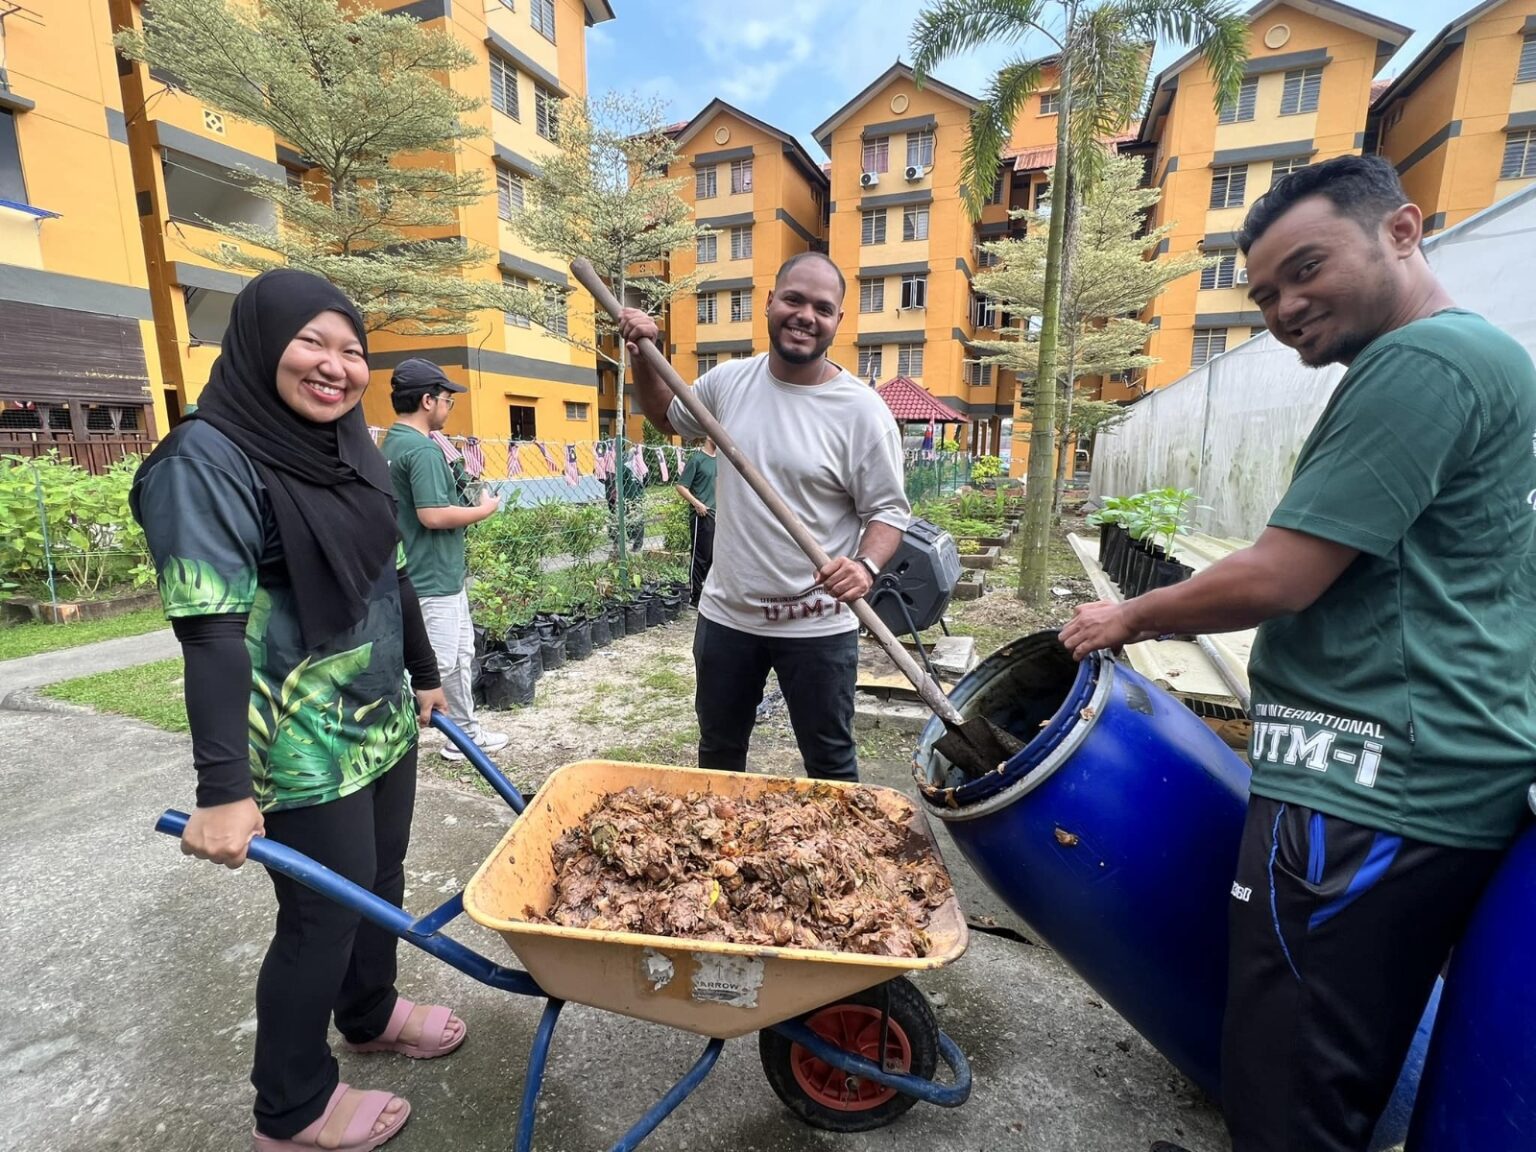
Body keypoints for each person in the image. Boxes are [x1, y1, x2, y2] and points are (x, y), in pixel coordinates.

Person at [1058, 155, 1536, 1152]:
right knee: (1333, 1063)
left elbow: (1282, 573)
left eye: (1306, 269)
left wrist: (1126, 620)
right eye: (1266, 292)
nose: (1284, 306)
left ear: (1402, 231)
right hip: (1423, 777)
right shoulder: (1475, 359)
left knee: (1289, 1095)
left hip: (1364, 795)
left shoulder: (1424, 364)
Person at [131, 269, 467, 1152]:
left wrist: (424, 675)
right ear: (257, 342)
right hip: (296, 742)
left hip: (380, 718)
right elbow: (209, 636)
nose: (335, 366)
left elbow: (387, 569)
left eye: (351, 350)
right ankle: (291, 1108)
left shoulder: (346, 444)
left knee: (379, 880)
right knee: (320, 915)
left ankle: (368, 1012)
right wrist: (222, 790)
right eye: (311, 342)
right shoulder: (205, 461)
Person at [618, 251, 910, 782]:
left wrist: (865, 566)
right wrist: (644, 352)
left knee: (831, 765)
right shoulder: (728, 384)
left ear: (838, 322)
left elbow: (888, 511)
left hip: (819, 625)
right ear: (768, 303)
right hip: (729, 618)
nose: (805, 315)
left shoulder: (862, 413)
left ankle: (833, 863)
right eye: (794, 299)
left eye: (823, 308)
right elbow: (666, 417)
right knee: (720, 757)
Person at [379, 359, 508, 761]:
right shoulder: (421, 451)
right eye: (447, 400)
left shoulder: (392, 443)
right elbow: (433, 515)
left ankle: (464, 733)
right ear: (427, 400)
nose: (449, 408)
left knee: (457, 656)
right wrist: (485, 509)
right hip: (432, 578)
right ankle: (415, 739)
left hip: (427, 573)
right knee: (440, 662)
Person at [674, 437, 717, 606]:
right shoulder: (697, 459)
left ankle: (709, 595)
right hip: (702, 516)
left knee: (714, 556)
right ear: (708, 435)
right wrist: (697, 504)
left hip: (716, 514)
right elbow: (681, 486)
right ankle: (695, 596)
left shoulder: (719, 460)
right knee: (700, 557)